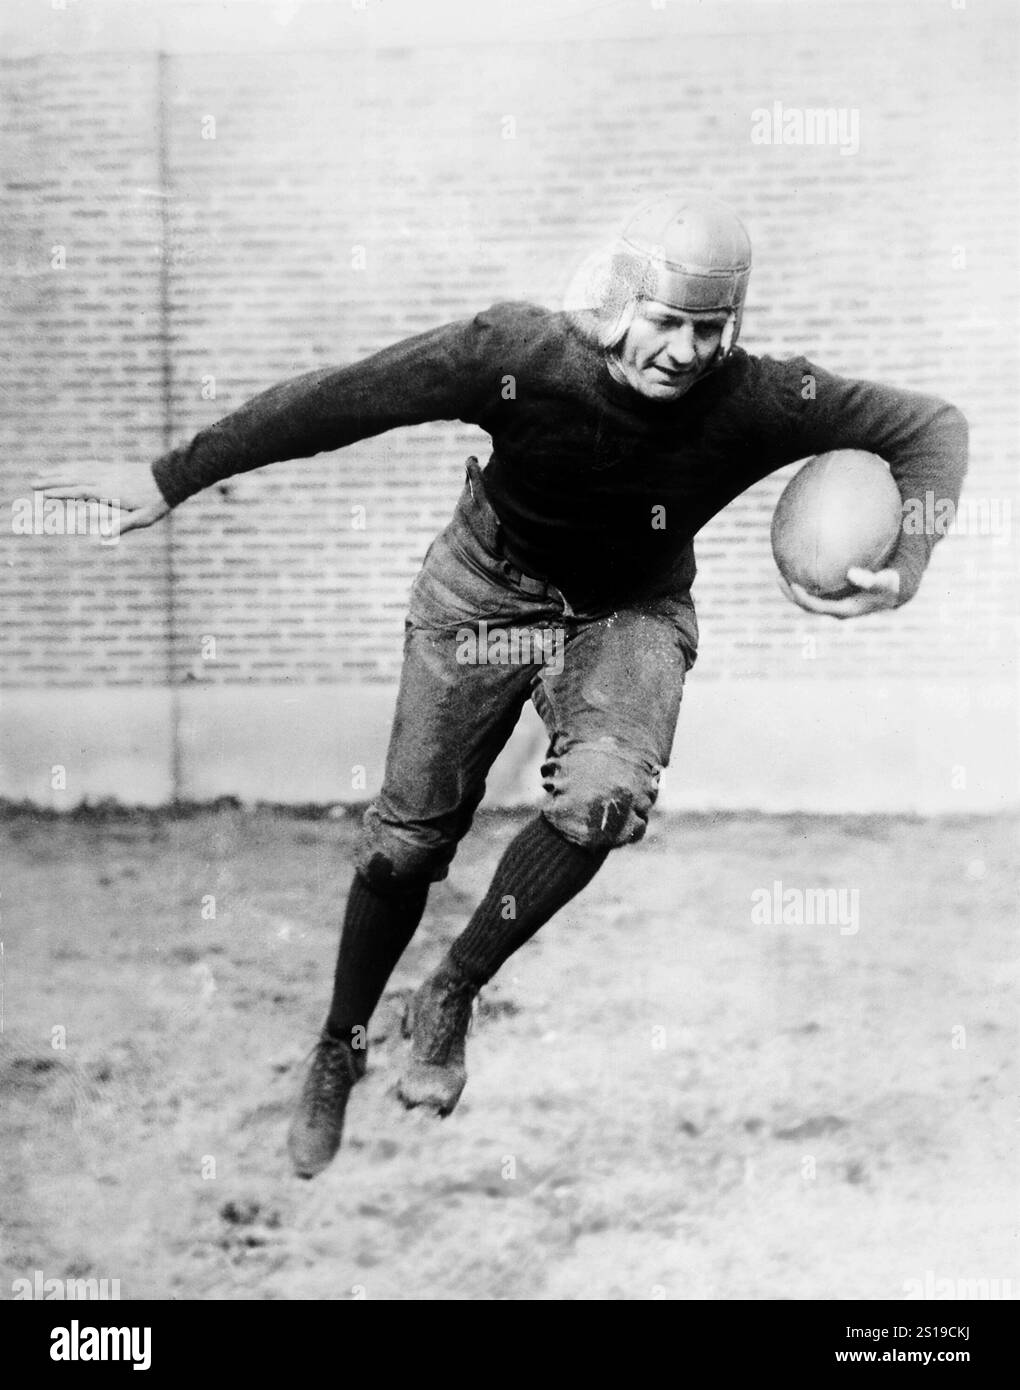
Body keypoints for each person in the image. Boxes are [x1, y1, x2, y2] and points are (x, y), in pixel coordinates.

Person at [30, 194, 969, 1179]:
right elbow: (340, 399)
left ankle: (451, 990)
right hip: (482, 590)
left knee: (605, 797)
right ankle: (339, 1043)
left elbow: (934, 430)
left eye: (708, 327)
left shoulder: (759, 398)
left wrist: (908, 560)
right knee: (406, 843)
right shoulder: (518, 354)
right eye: (666, 320)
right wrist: (169, 476)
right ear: (618, 300)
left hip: (627, 612)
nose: (685, 350)